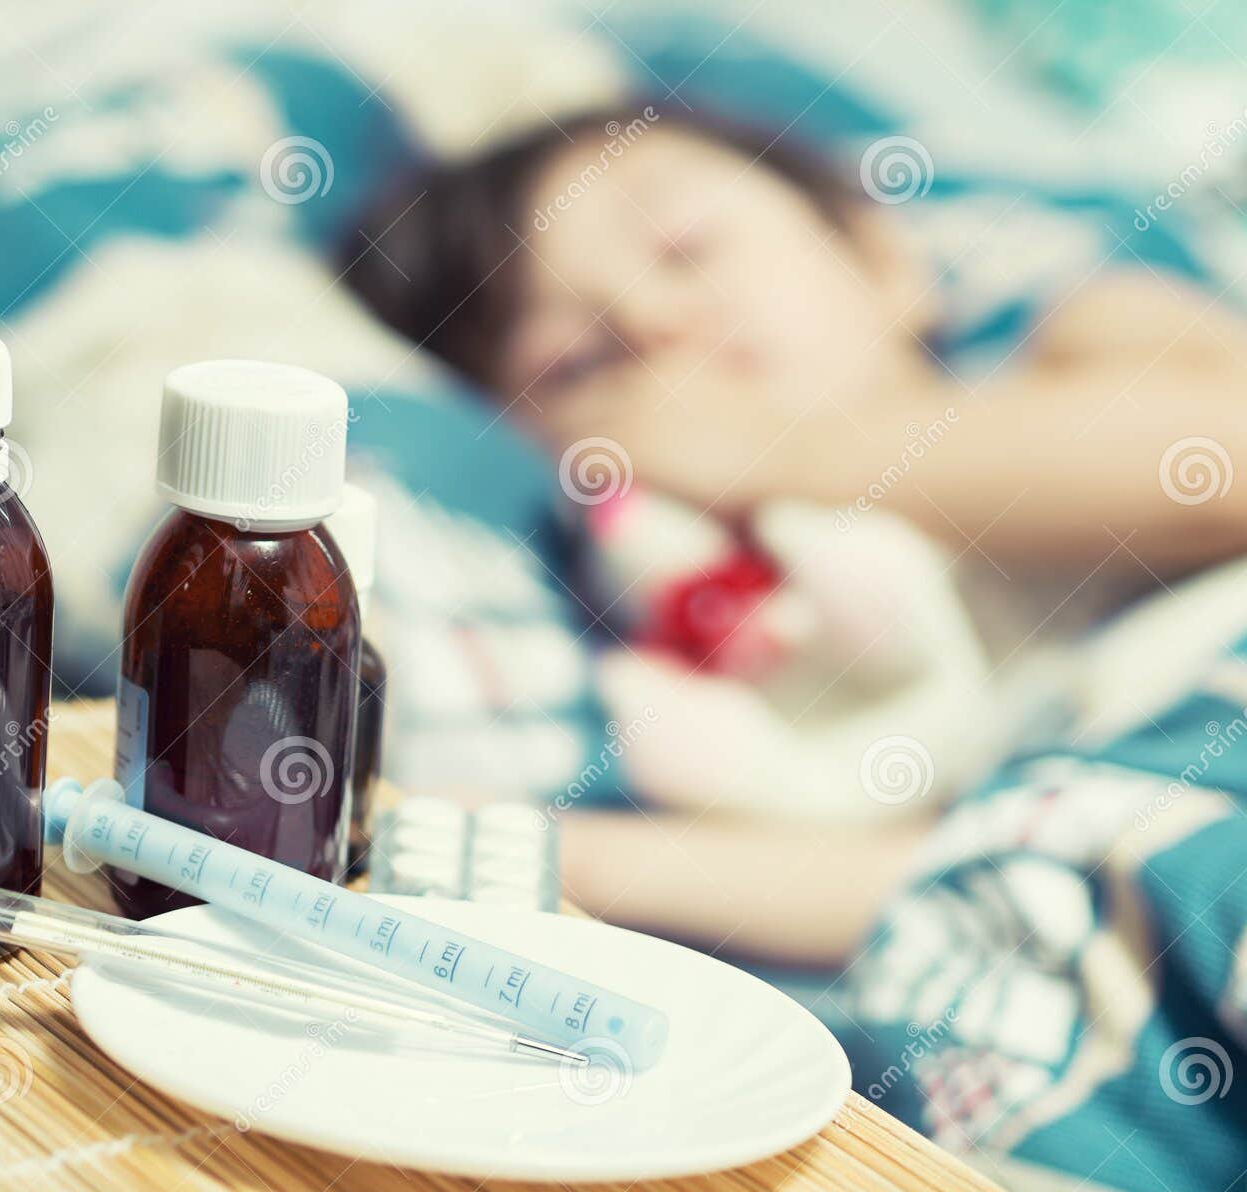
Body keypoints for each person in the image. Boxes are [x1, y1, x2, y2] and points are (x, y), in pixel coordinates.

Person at [341, 104, 1247, 964]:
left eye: (685, 249)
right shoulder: (755, 644)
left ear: (882, 258)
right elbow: (942, 876)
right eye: (580, 363)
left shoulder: (1085, 334)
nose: (654, 323)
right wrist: (534, 850)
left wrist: (769, 444)